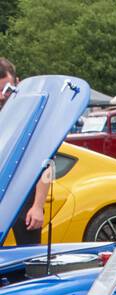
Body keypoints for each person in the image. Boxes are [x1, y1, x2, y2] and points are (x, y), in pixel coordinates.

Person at [0, 58, 52, 245]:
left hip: (26, 197)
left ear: (17, 83)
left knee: (29, 259)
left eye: (5, 90)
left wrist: (38, 206)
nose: (1, 96)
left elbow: (47, 165)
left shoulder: (34, 118)